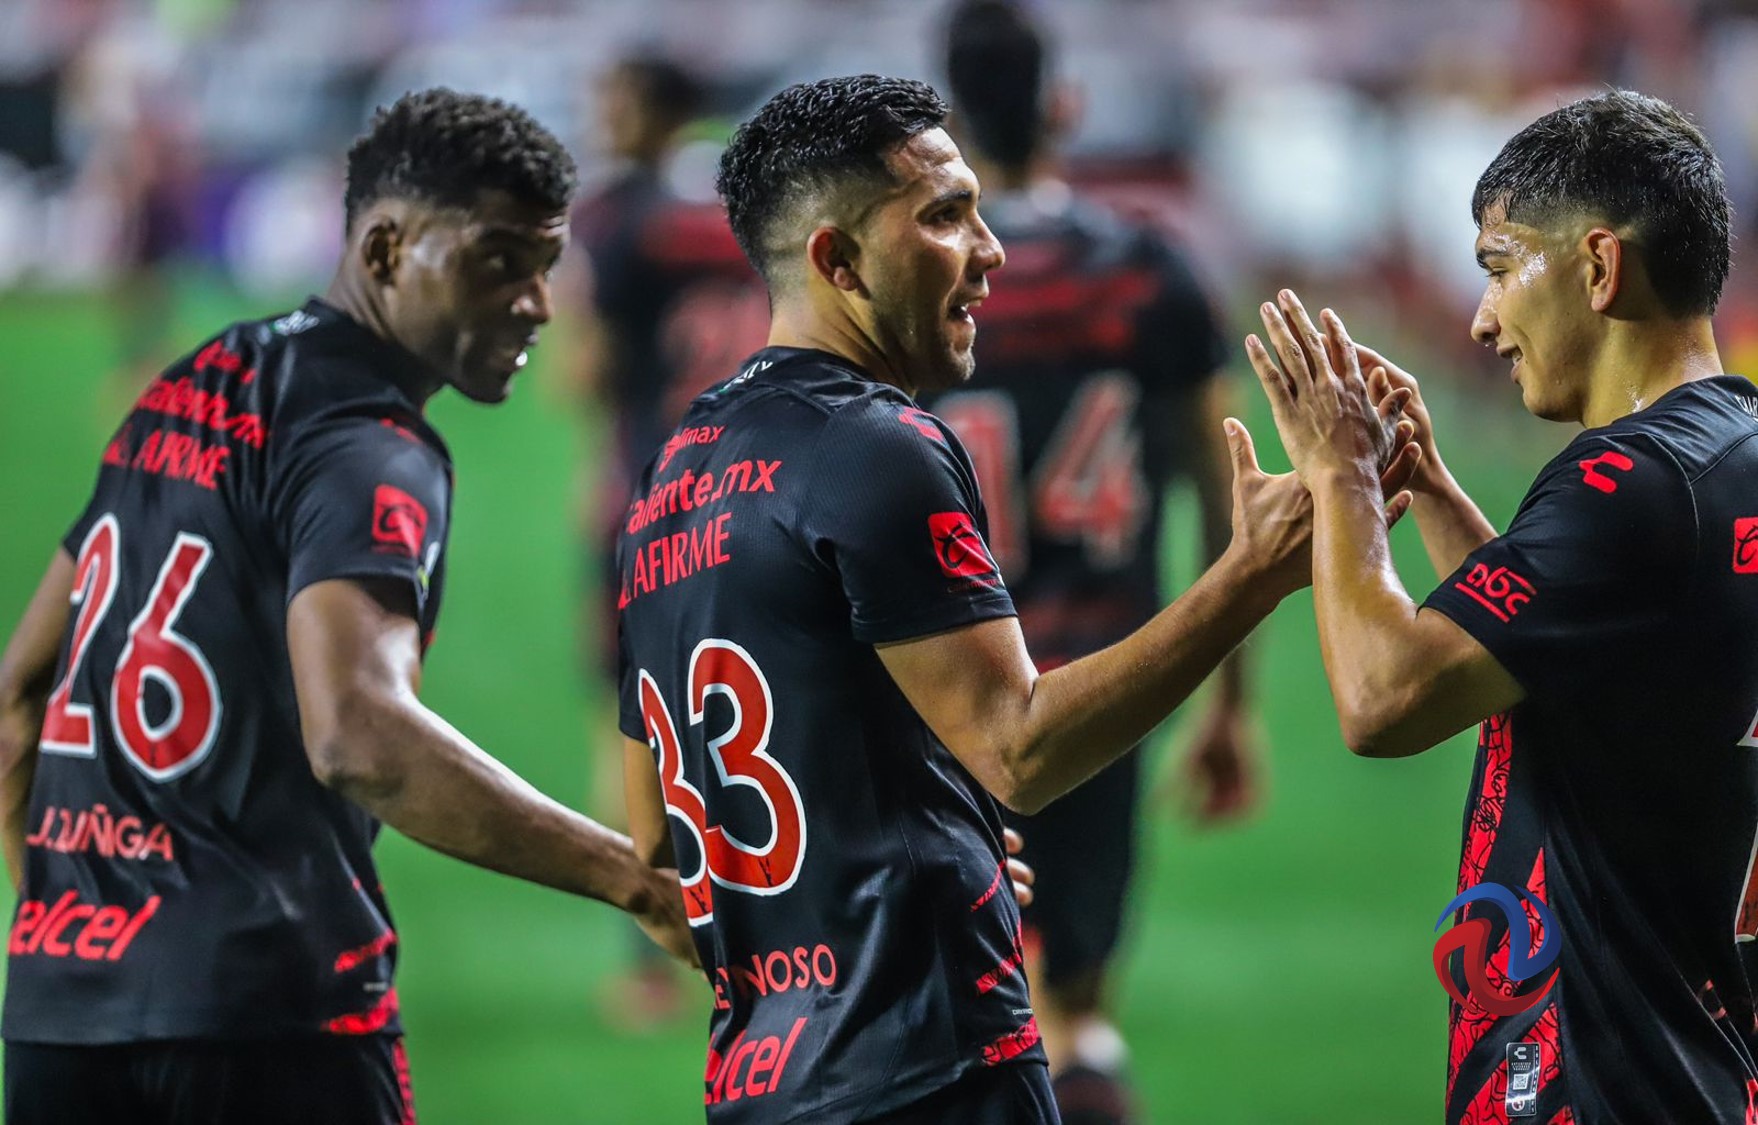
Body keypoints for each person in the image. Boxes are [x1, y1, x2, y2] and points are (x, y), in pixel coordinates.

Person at [615, 74, 1414, 1123]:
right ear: (838, 261)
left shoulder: (673, 474)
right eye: (946, 217)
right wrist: (1251, 574)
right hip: (927, 1069)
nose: (990, 250)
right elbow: (1019, 751)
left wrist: (928, 852)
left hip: (759, 1083)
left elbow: (661, 858)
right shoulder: (877, 448)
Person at [0, 88, 691, 1125]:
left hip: (62, 1023)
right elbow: (360, 735)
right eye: (500, 260)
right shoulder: (370, 447)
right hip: (270, 1018)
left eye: (547, 264)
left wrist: (78, 942)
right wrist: (632, 880)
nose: (537, 303)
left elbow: (18, 700)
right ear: (384, 251)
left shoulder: (187, 388)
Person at [1245, 90, 1758, 1123]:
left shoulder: (1627, 483)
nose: (1483, 320)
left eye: (1500, 266)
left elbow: (1385, 698)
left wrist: (1340, 476)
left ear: (1600, 267)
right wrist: (1431, 486)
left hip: (1602, 1079)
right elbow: (1560, 648)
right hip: (1706, 1060)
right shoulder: (1729, 456)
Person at [931, 5, 1257, 1117]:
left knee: (949, 1014)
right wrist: (1229, 703)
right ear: (1064, 108)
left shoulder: (930, 286)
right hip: (1108, 682)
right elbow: (1228, 491)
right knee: (1077, 1006)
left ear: (951, 125)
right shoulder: (1146, 272)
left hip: (948, 686)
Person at [560, 54, 768, 1027]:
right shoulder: (748, 207)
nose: (603, 114)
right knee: (764, 708)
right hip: (761, 486)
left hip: (651, 498)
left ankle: (649, 955)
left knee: (636, 726)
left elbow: (583, 372)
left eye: (615, 97)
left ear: (653, 109)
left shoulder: (617, 221)